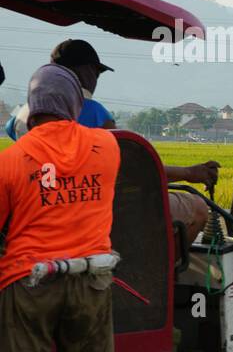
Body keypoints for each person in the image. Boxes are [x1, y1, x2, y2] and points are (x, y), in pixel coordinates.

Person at [0, 65, 121, 352]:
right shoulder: (106, 150)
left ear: (32, 110)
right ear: (73, 103)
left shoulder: (13, 159)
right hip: (91, 284)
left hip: (29, 286)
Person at [7, 39, 220, 244]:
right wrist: (189, 173)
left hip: (40, 209)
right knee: (197, 207)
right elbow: (133, 169)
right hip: (94, 211)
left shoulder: (21, 116)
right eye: (97, 73)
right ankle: (160, 277)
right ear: (85, 71)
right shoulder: (95, 114)